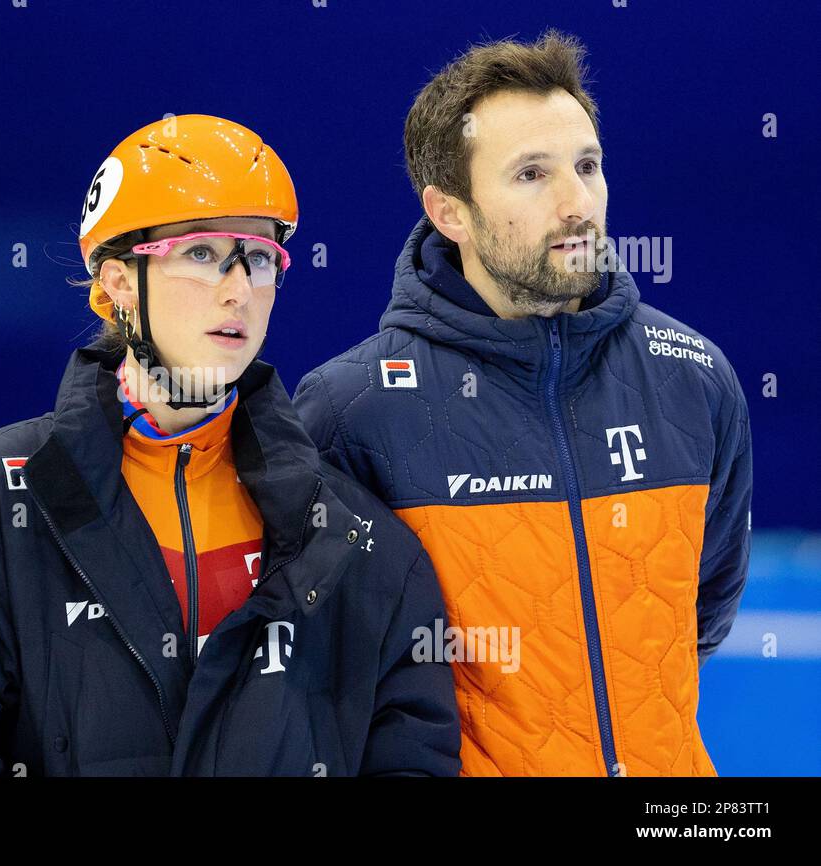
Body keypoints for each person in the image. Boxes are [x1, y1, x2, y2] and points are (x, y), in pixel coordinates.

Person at [0, 114, 460, 776]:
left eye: (263, 258)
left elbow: (411, 757)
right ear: (117, 283)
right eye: (203, 254)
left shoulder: (359, 542)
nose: (239, 289)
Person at [294, 32, 752, 776]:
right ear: (450, 212)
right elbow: (325, 676)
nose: (577, 204)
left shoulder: (693, 376)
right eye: (532, 174)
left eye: (588, 166)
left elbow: (702, 615)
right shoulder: (354, 410)